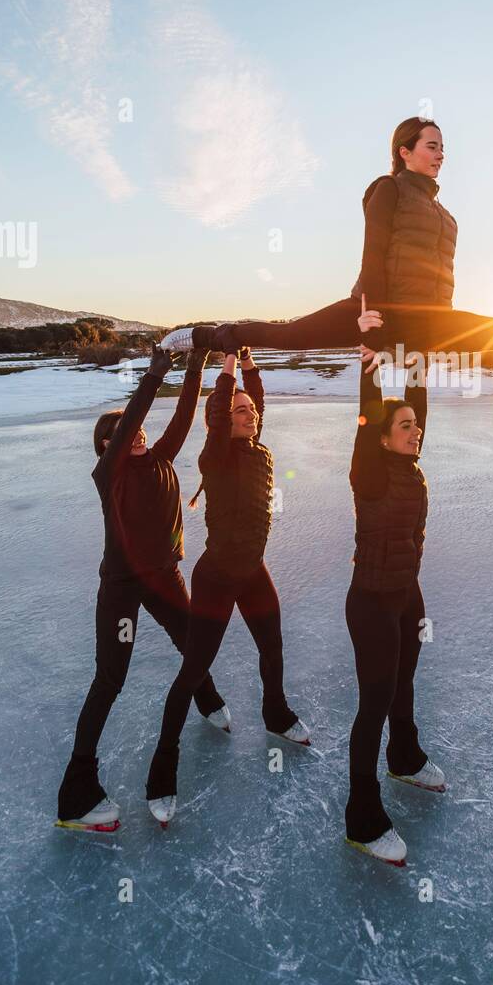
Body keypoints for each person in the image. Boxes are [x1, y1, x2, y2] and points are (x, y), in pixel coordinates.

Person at [158, 118, 493, 369]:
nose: (440, 154)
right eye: (431, 146)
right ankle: (203, 335)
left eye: (444, 148)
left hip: (427, 317)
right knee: (289, 334)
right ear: (404, 151)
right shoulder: (387, 190)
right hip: (376, 309)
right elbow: (373, 253)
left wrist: (437, 333)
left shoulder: (445, 214)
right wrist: (372, 320)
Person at [56, 345, 229, 833]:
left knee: (193, 644)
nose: (133, 435)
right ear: (105, 448)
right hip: (123, 589)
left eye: (133, 431)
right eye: (118, 434)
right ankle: (76, 792)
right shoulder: (108, 475)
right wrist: (156, 372)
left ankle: (209, 699)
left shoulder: (161, 458)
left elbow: (184, 414)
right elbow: (135, 414)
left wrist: (195, 367)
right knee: (111, 679)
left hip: (164, 578)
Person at [144, 345, 309, 826]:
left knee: (272, 648)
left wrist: (250, 364)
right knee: (194, 670)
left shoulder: (258, 448)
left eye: (252, 410)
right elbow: (220, 412)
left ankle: (275, 714)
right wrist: (228, 368)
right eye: (241, 411)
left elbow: (253, 401)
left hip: (252, 569)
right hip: (216, 576)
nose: (250, 413)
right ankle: (162, 766)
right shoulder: (215, 453)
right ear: (223, 420)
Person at [342, 302, 444, 866]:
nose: (415, 430)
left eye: (416, 426)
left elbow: (416, 406)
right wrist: (368, 366)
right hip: (372, 600)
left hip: (407, 592)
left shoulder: (410, 466)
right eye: (404, 426)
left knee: (404, 684)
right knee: (374, 703)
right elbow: (368, 416)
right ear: (382, 438)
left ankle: (404, 756)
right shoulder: (370, 468)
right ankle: (361, 816)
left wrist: (420, 362)